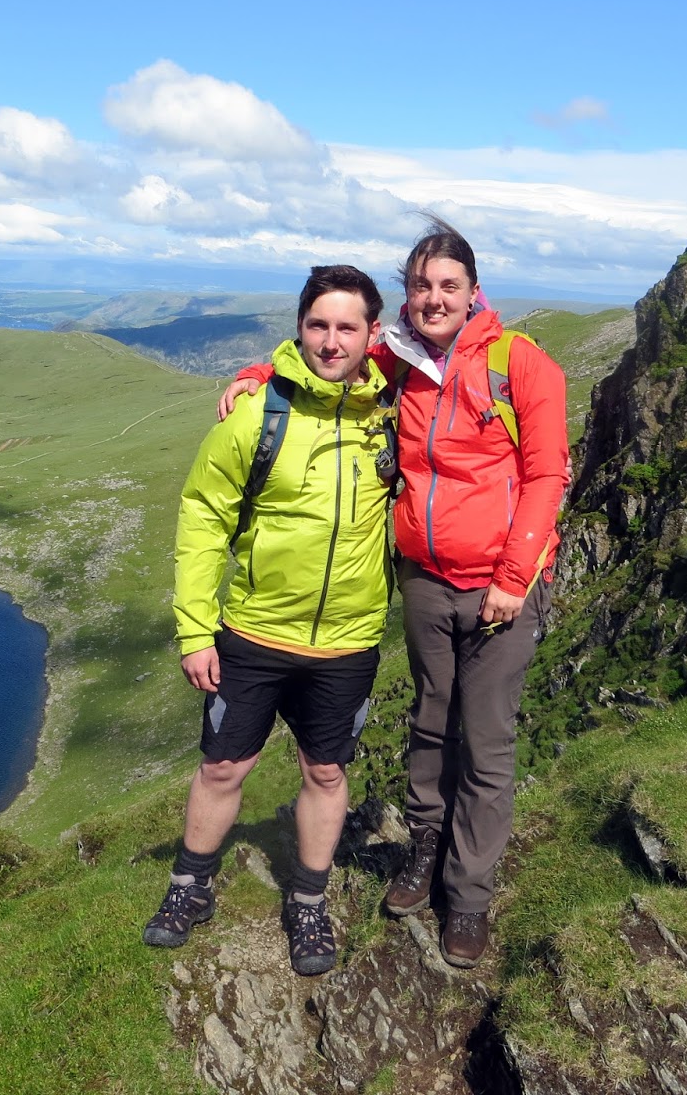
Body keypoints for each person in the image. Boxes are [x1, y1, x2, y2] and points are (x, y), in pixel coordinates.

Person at [220, 220, 569, 966]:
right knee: (430, 725)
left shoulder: (522, 366)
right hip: (423, 581)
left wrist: (512, 582)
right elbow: (325, 355)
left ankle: (467, 898)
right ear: (406, 300)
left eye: (448, 285)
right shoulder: (400, 359)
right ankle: (423, 853)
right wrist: (259, 376)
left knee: (487, 743)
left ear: (474, 291)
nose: (434, 298)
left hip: (500, 591)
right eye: (420, 286)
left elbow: (546, 477)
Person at [144, 265, 397, 977]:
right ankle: (188, 888)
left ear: (372, 335)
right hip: (254, 634)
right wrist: (196, 629)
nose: (330, 340)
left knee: (325, 771)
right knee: (224, 764)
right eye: (318, 325)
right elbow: (202, 517)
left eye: (347, 327)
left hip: (348, 640)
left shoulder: (394, 409)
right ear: (299, 327)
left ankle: (308, 902)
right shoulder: (259, 413)